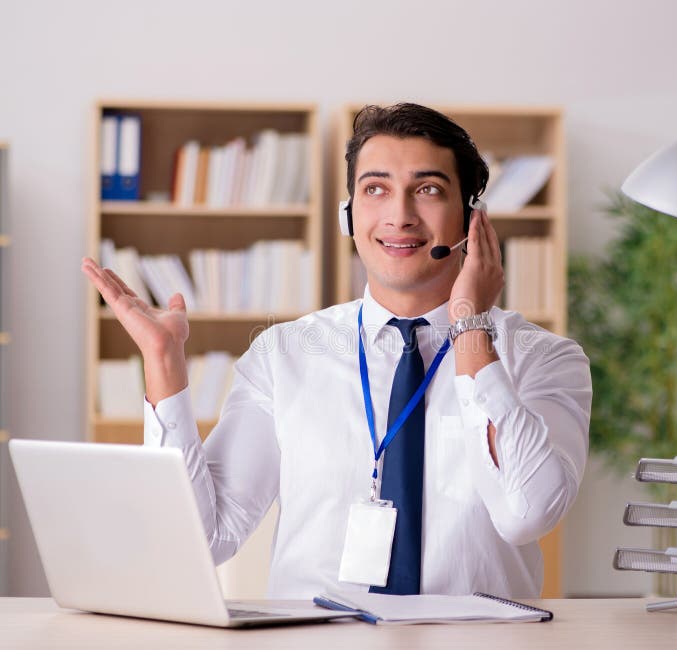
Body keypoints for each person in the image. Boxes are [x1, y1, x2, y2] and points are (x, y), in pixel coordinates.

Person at [82, 103, 591, 599]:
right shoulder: (282, 356)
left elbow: (527, 513)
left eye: (428, 189)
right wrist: (163, 363)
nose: (400, 215)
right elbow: (204, 538)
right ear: (349, 215)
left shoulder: (544, 359)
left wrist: (471, 330)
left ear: (471, 220)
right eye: (376, 189)